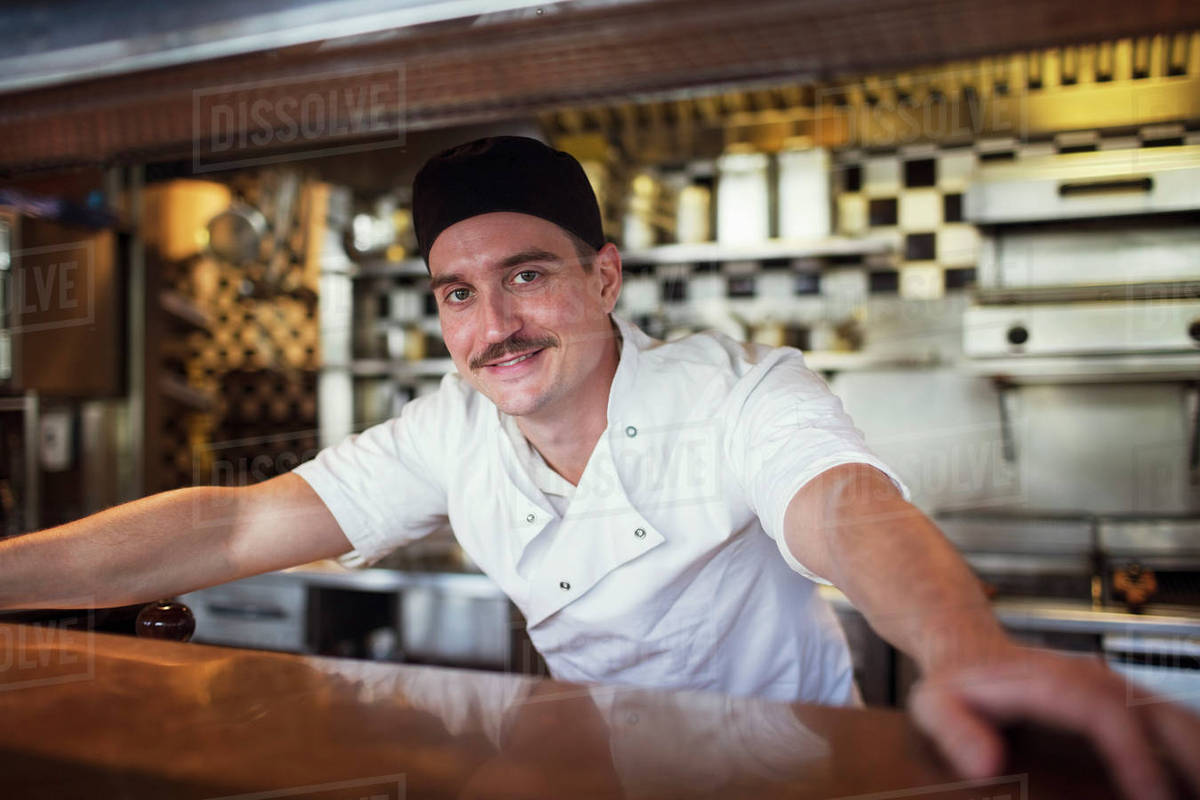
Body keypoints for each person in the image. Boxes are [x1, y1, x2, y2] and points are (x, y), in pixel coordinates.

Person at [1, 136, 1196, 799]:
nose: (494, 324)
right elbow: (230, 529)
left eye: (527, 274)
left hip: (796, 778)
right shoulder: (448, 429)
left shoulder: (734, 388)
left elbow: (843, 506)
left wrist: (969, 649)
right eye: (458, 294)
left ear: (604, 276)